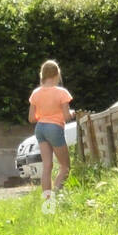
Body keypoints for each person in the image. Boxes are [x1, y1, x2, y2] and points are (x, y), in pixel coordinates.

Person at [28, 59, 73, 206]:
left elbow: (31, 118)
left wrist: (44, 113)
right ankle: (56, 197)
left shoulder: (35, 93)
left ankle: (47, 204)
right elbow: (66, 117)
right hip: (54, 128)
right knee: (65, 166)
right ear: (57, 74)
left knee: (47, 166)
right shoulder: (62, 93)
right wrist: (72, 114)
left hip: (40, 128)